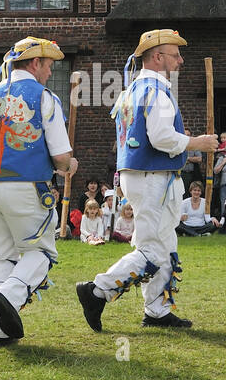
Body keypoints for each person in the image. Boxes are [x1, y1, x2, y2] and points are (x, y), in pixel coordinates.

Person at [76, 29, 218, 330]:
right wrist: (199, 143)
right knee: (153, 250)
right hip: (153, 177)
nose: (180, 61)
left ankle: (157, 310)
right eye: (175, 55)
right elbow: (161, 137)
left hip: (141, 176)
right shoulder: (156, 91)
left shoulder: (132, 92)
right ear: (157, 57)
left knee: (163, 242)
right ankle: (98, 291)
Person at [0, 36, 75, 346]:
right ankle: (7, 296)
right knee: (42, 252)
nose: (50, 73)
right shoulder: (43, 96)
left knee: (3, 256)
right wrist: (69, 165)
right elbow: (61, 157)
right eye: (49, 66)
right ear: (35, 63)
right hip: (26, 185)